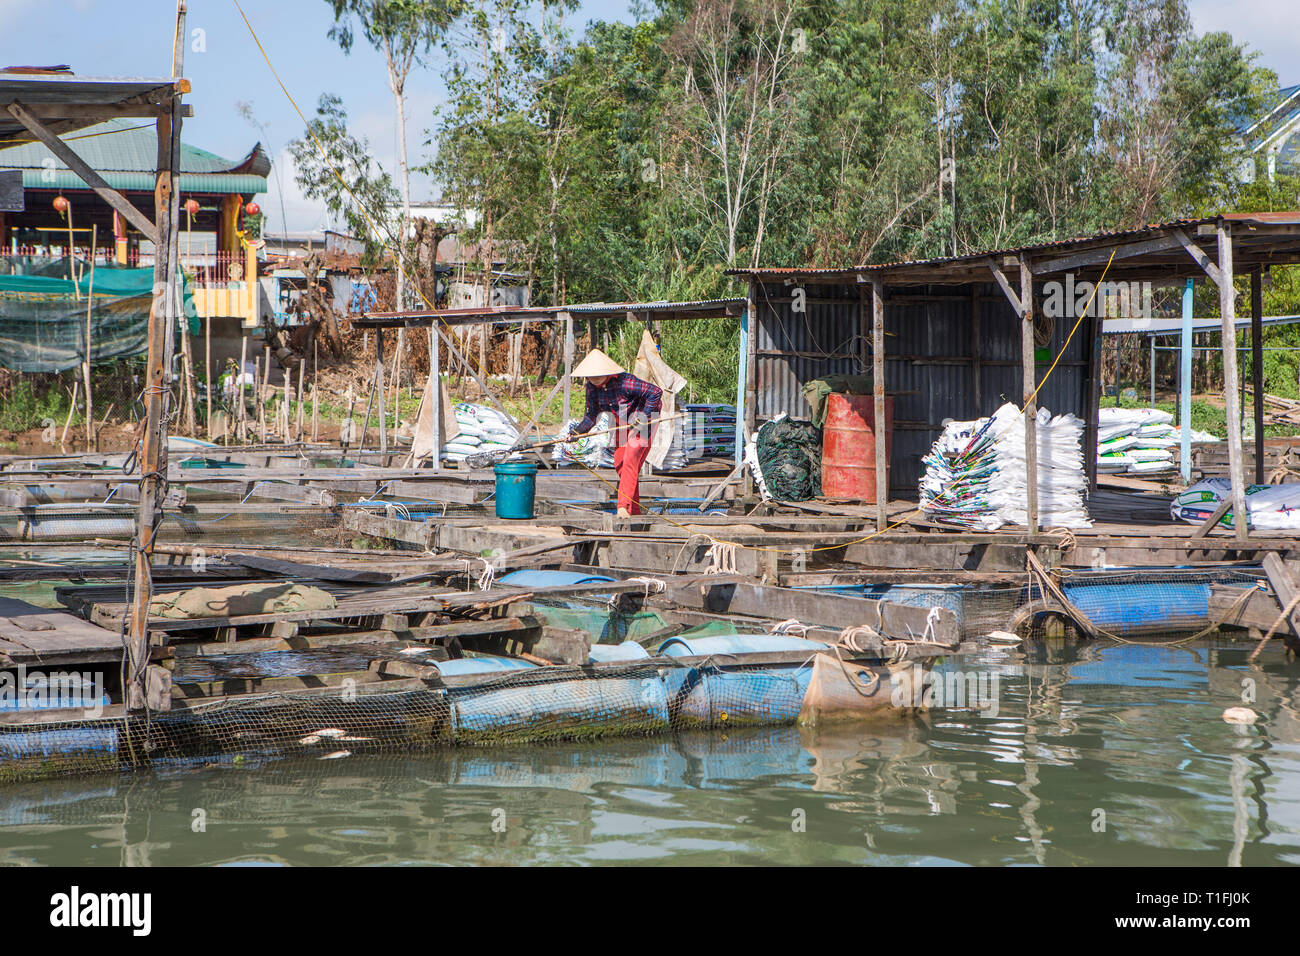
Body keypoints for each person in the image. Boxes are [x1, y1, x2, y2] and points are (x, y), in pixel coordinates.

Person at [569, 348, 661, 517]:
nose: (594, 379)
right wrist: (577, 432)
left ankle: (623, 507)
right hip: (621, 422)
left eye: (598, 375)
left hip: (644, 420)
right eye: (590, 376)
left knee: (631, 458)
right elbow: (591, 415)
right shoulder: (591, 388)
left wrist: (642, 417)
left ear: (608, 373)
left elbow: (655, 393)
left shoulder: (625, 382)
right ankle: (634, 511)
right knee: (620, 462)